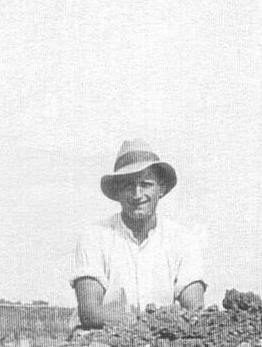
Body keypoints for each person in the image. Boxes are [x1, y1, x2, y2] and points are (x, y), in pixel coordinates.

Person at [71, 140, 206, 329]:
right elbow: (90, 313)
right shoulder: (95, 237)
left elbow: (195, 310)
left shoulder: (183, 240)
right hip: (103, 342)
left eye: (146, 184)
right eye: (128, 186)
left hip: (162, 344)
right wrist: (149, 323)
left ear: (161, 189)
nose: (137, 194)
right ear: (117, 192)